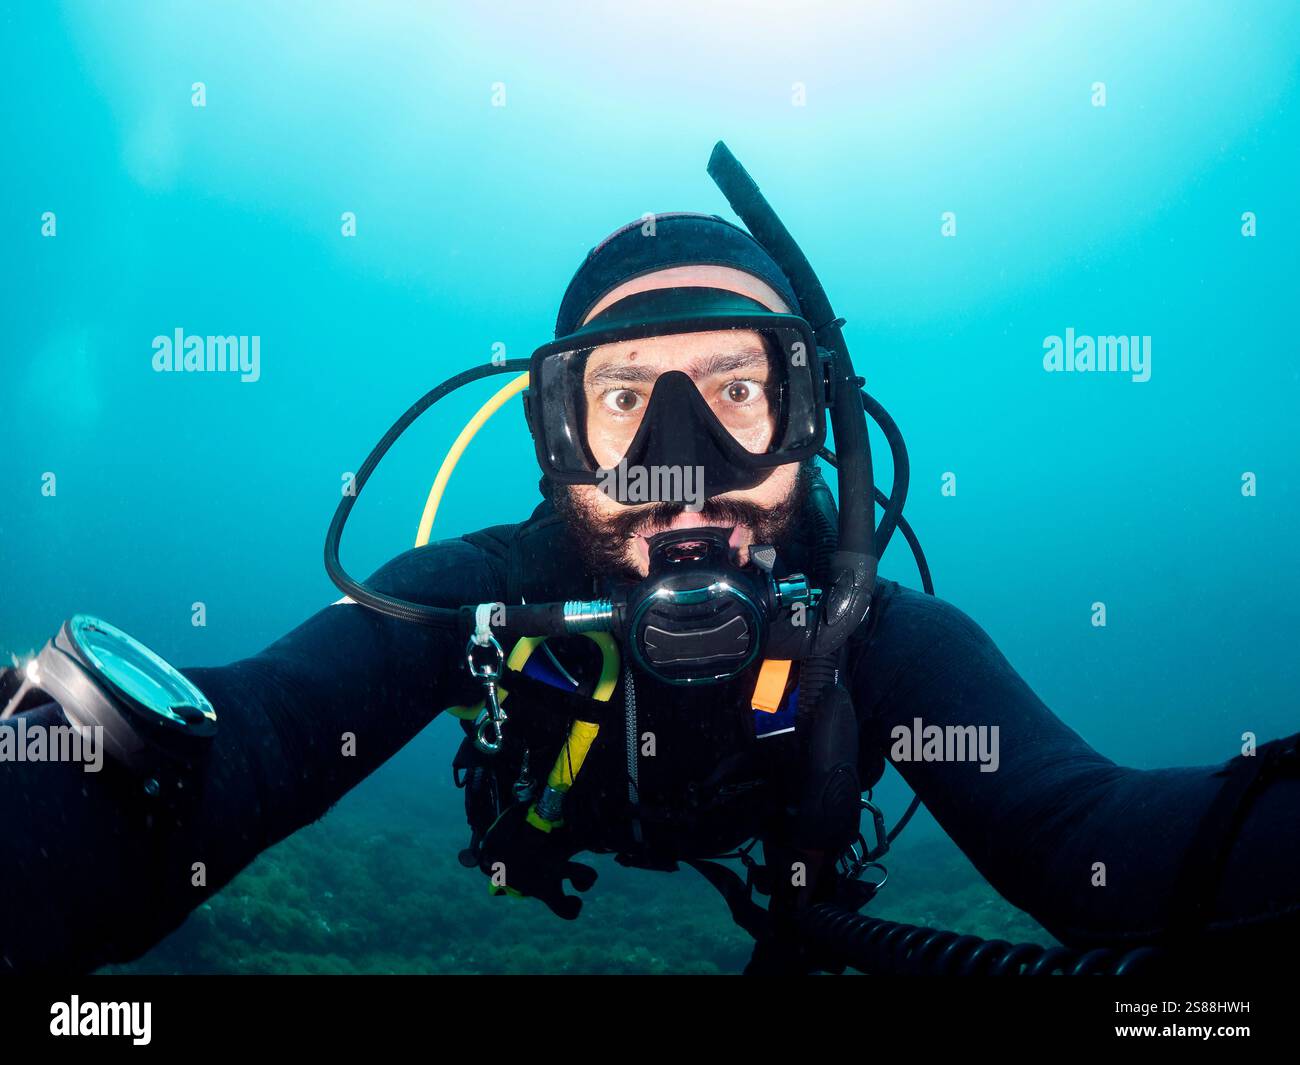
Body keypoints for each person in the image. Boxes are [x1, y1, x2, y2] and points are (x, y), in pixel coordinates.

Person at [3, 153, 1298, 977]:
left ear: (813, 420)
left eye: (739, 391)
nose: (687, 461)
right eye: (624, 404)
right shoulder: (476, 591)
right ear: (554, 442)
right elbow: (254, 737)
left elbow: (1106, 846)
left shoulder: (879, 634)